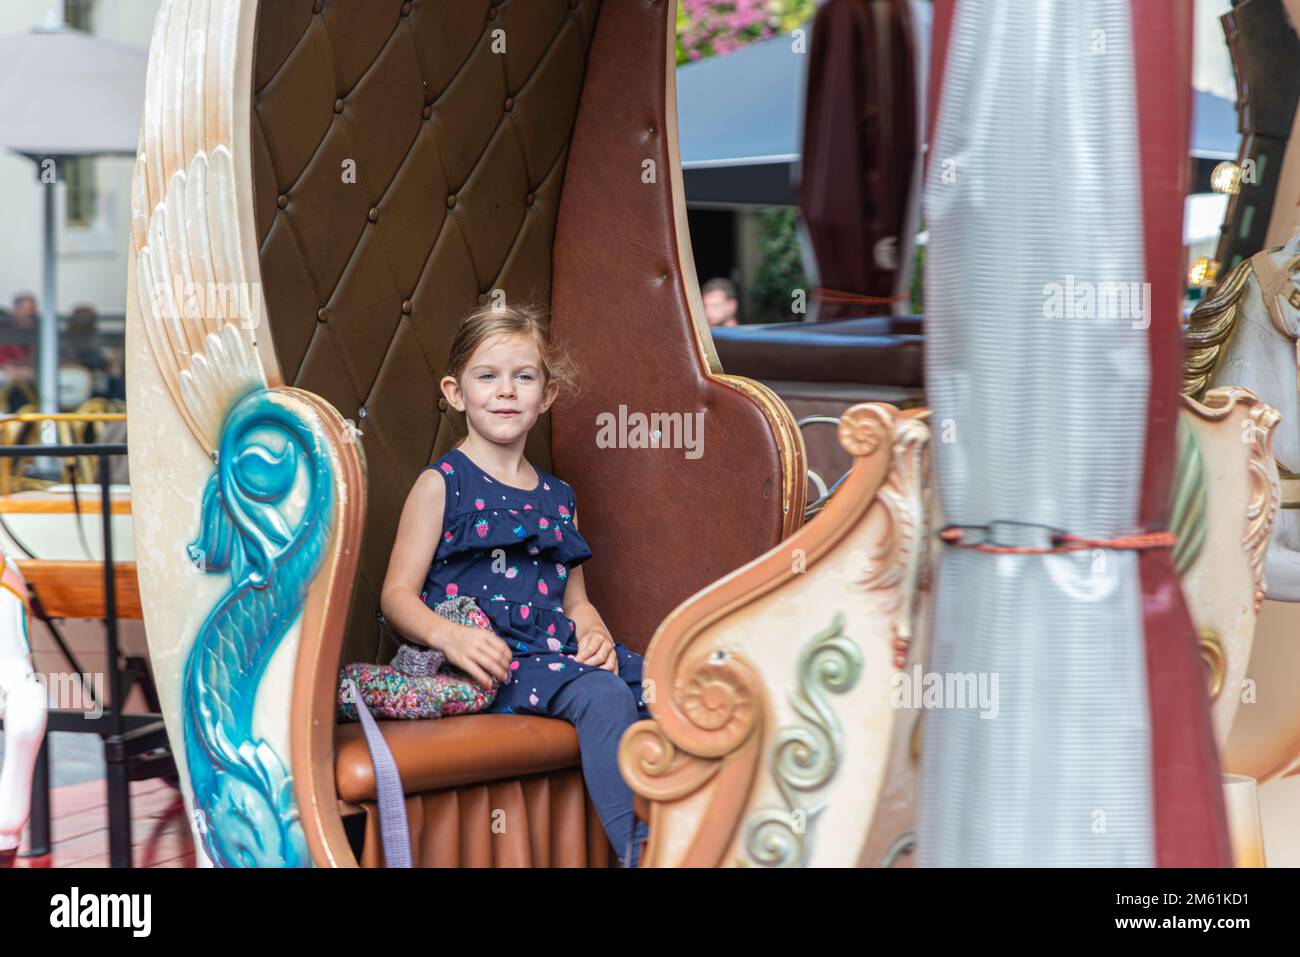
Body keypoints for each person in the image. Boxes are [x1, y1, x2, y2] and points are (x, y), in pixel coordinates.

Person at [380, 302, 652, 867]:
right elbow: (396, 596)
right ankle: (643, 854)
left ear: (546, 396)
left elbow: (574, 599)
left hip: (553, 651)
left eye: (523, 377)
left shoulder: (560, 498)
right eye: (488, 376)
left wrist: (594, 629)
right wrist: (449, 638)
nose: (506, 391)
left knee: (668, 680)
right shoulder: (441, 485)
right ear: (456, 392)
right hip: (490, 660)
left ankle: (703, 828)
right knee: (602, 696)